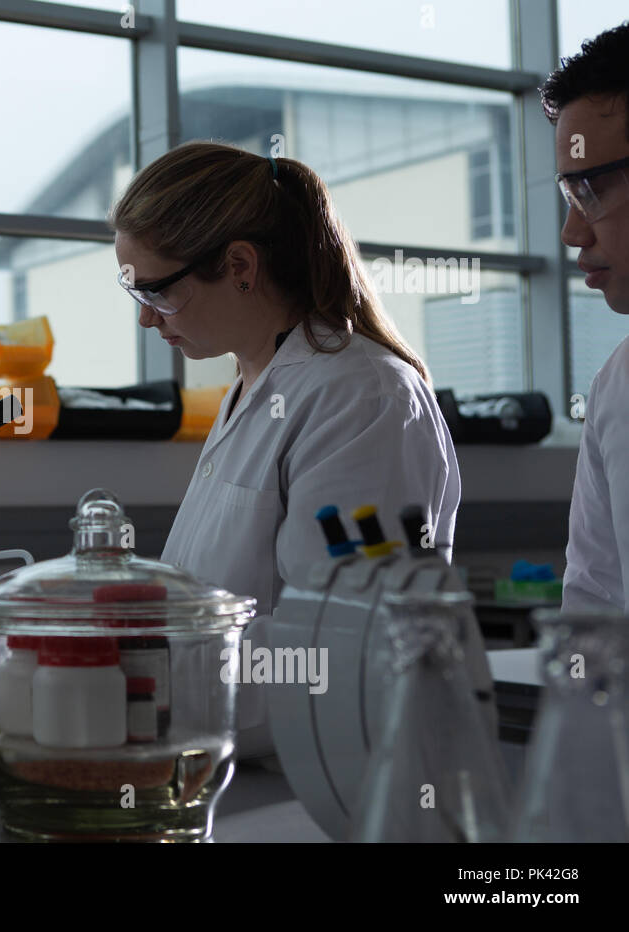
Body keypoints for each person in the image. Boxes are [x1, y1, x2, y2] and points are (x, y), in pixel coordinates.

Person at [111, 141, 461, 755]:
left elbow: (342, 641)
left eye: (158, 293)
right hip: (224, 755)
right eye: (134, 294)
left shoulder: (362, 394)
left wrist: (148, 678)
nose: (146, 320)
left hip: (313, 775)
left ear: (240, 265)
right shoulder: (252, 386)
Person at [542, 24, 629, 614]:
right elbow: (593, 607)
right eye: (569, 197)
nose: (572, 234)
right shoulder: (616, 386)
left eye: (591, 191)